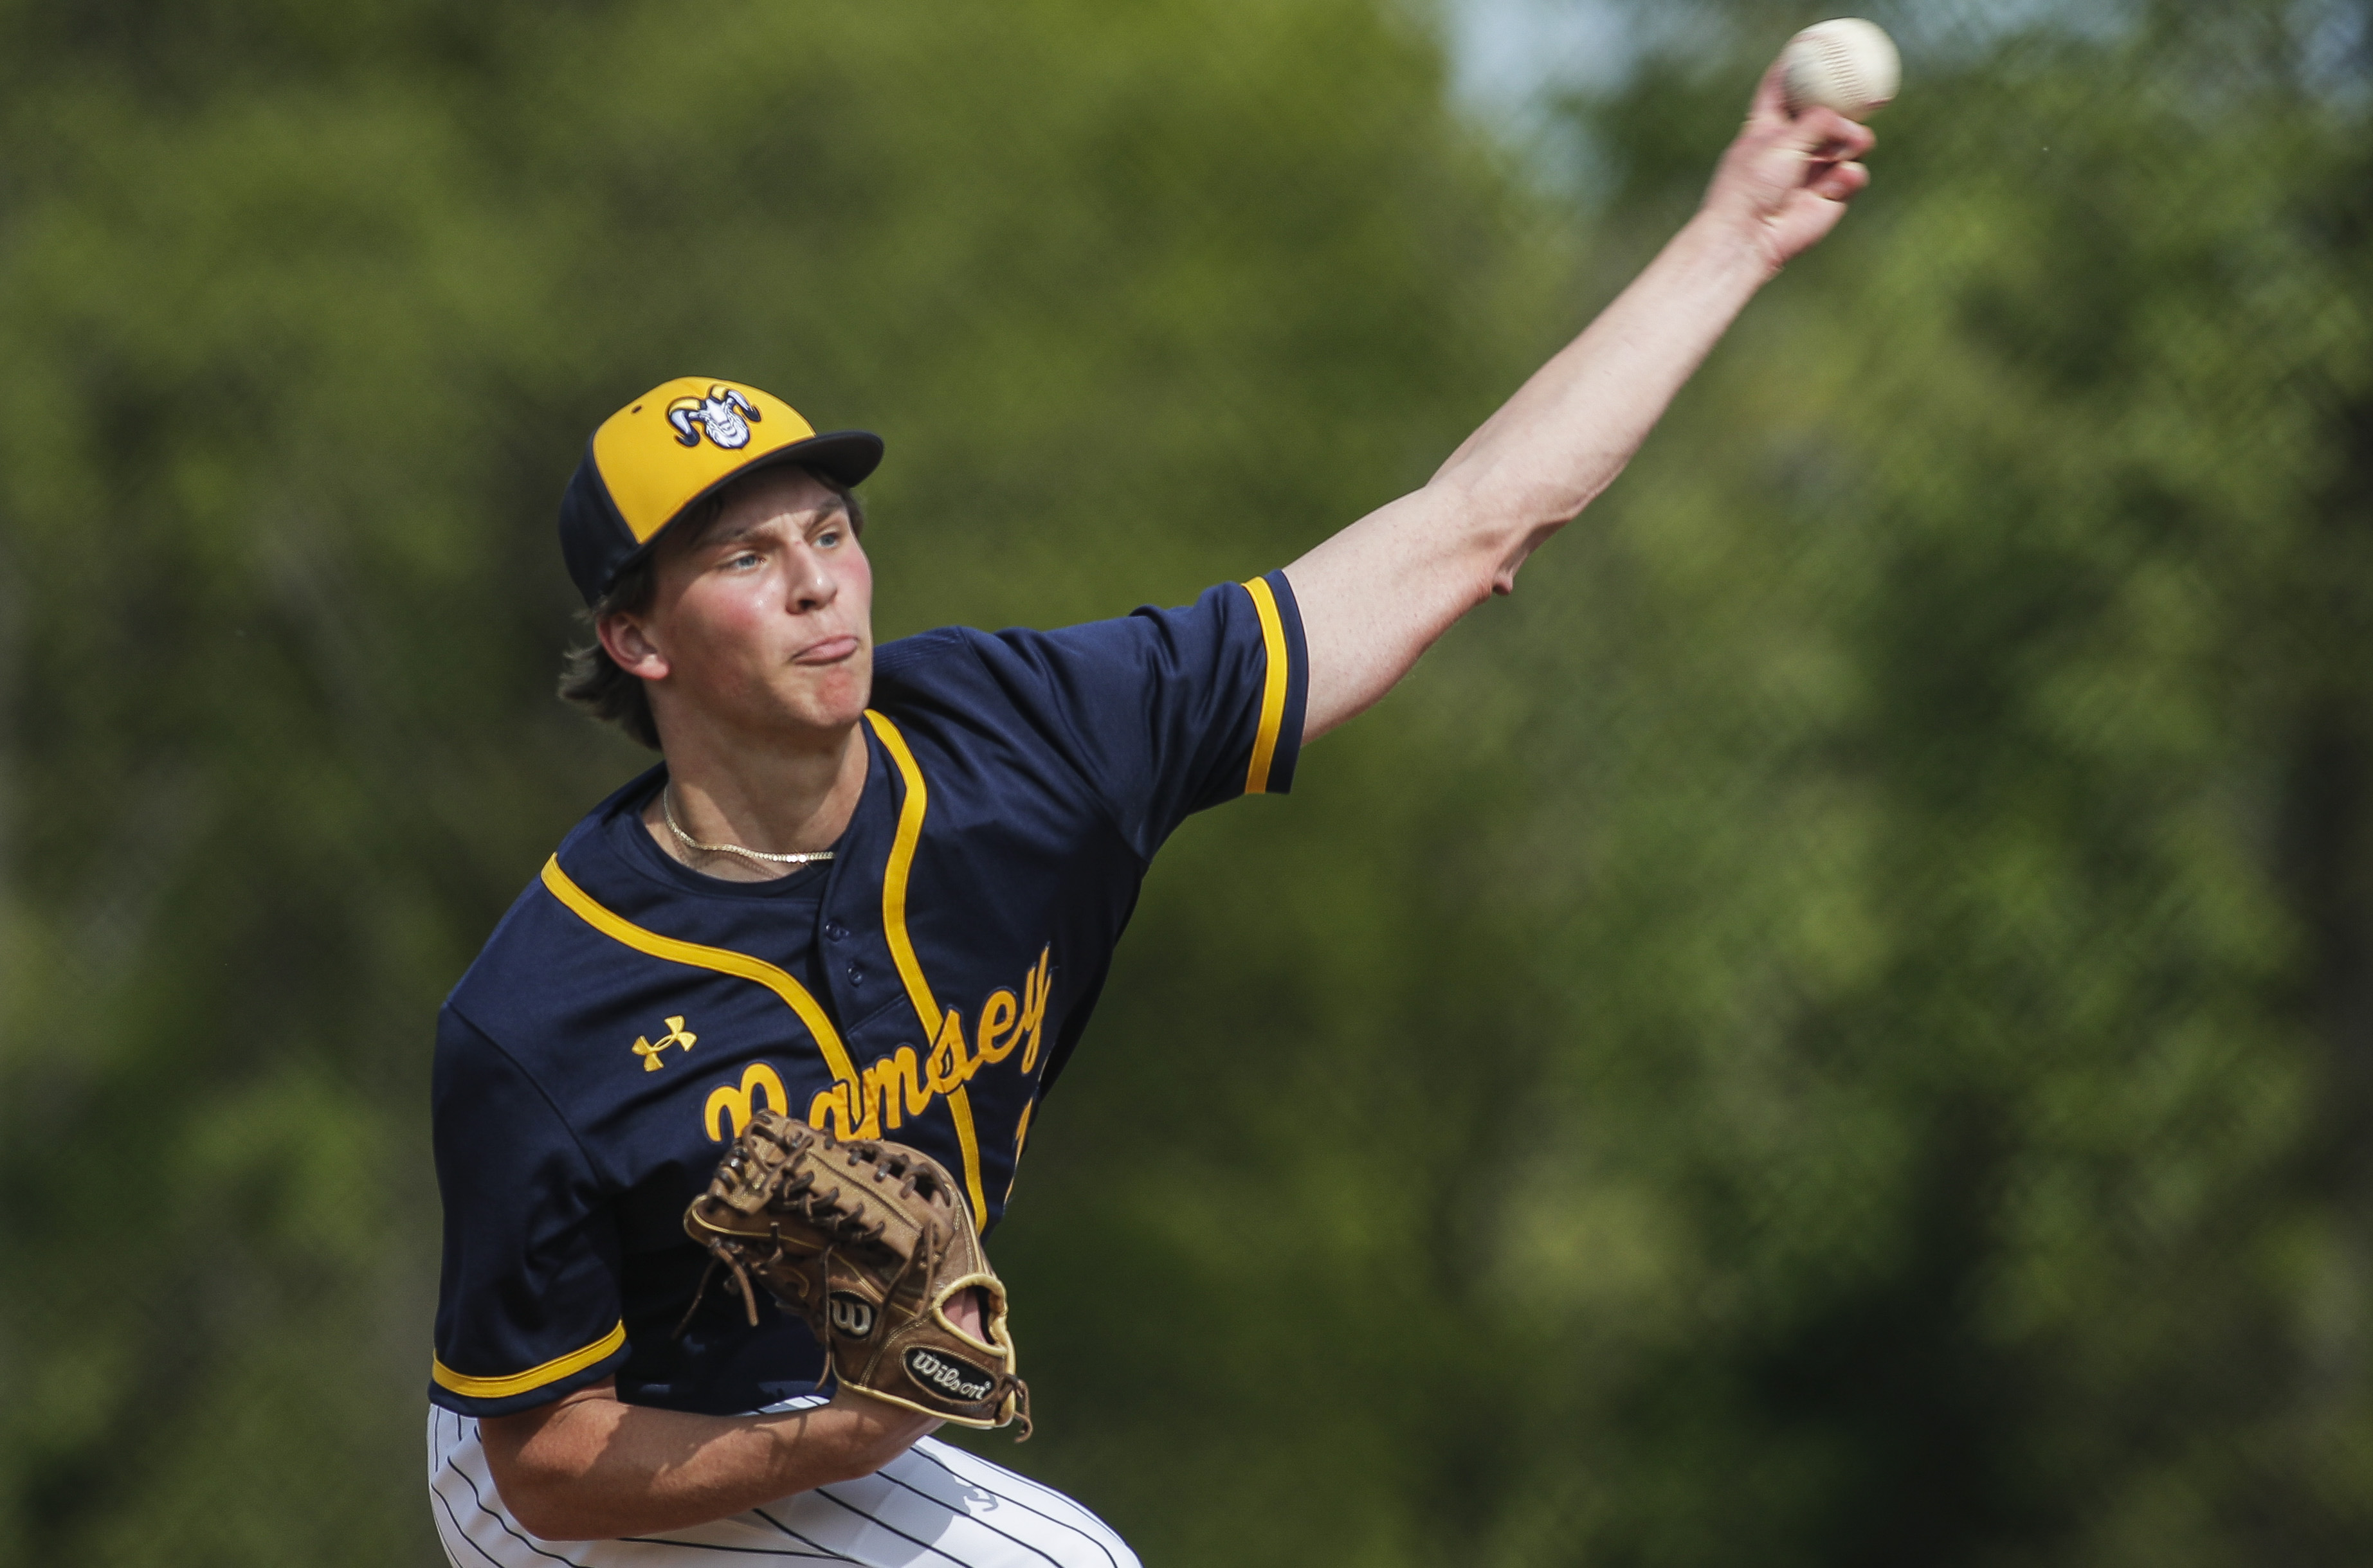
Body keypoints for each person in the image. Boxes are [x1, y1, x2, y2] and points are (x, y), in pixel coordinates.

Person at [425, 57, 1875, 1568]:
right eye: (741, 557)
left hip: (809, 1431)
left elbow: (1466, 527)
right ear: (638, 643)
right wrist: (852, 1432)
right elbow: (548, 1460)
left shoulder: (1028, 741)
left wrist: (1732, 239)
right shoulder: (546, 1013)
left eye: (831, 530)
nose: (813, 580)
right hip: (584, 1455)